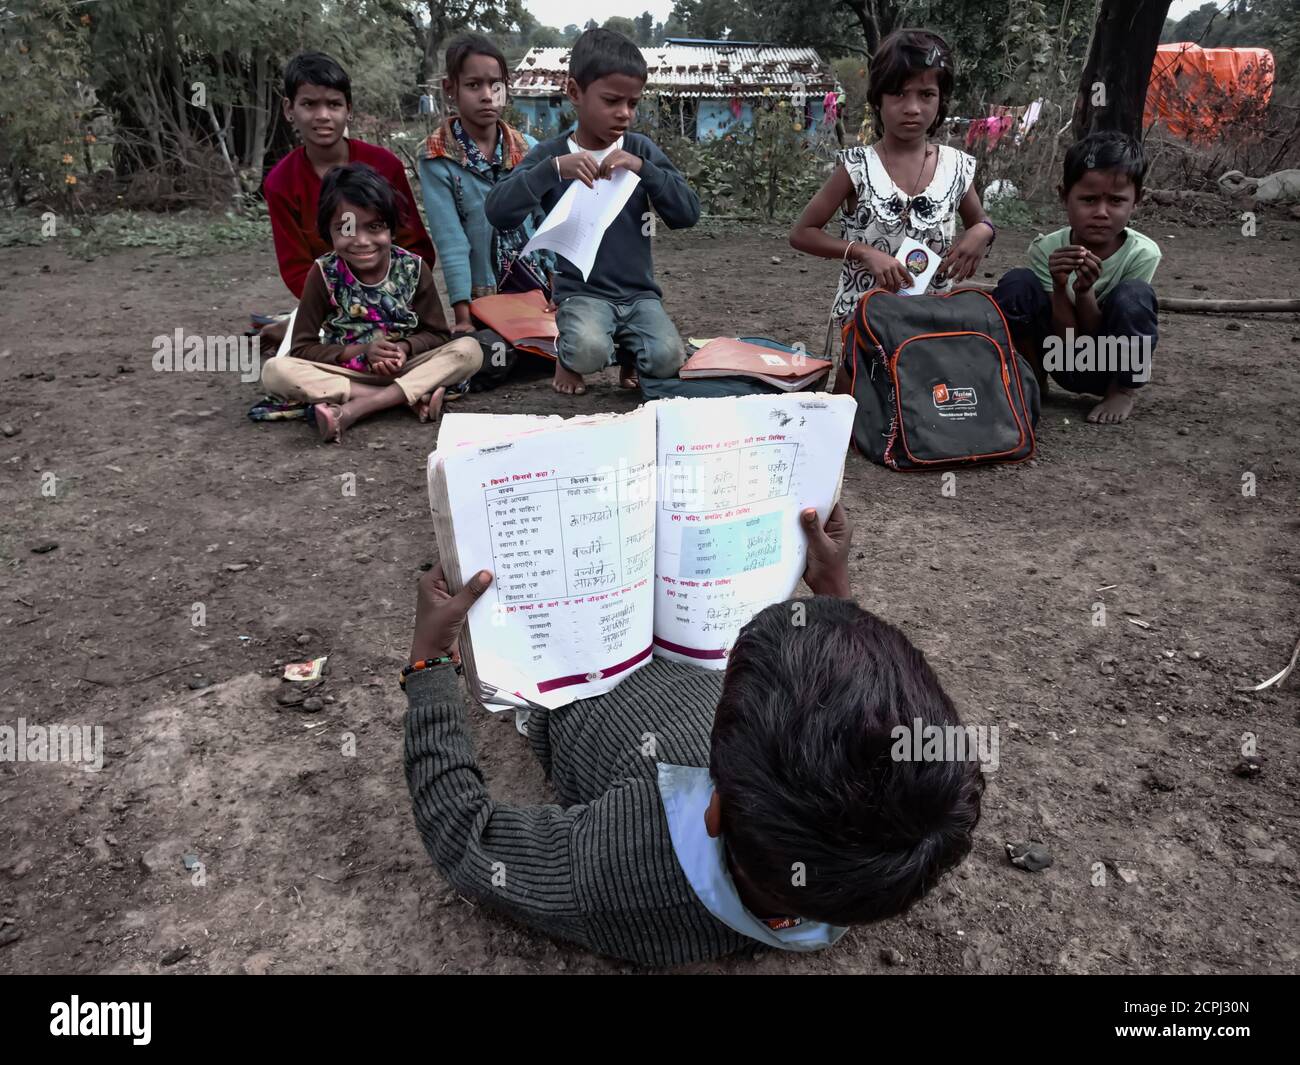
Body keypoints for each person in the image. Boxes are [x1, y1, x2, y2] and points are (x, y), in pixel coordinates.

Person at [401, 504, 985, 966]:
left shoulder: (617, 868)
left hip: (572, 679)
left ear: (714, 811)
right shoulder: (903, 842)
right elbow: (858, 743)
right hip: (678, 642)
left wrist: (429, 666)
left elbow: (465, 840)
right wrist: (834, 590)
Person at [484, 27, 699, 397]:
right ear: (574, 93)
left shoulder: (639, 150)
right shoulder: (552, 156)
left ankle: (633, 354)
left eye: (633, 103)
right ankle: (567, 357)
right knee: (587, 350)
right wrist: (552, 171)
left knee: (668, 360)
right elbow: (498, 211)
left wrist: (644, 169)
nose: (625, 114)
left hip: (640, 294)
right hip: (581, 294)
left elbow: (687, 214)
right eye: (612, 101)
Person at [788, 29, 994, 386]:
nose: (912, 107)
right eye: (898, 93)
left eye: (926, 94)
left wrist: (981, 232)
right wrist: (863, 252)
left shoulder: (957, 167)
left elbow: (980, 221)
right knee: (860, 412)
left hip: (931, 320)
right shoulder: (856, 167)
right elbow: (802, 234)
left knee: (925, 413)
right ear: (878, 99)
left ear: (941, 100)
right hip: (865, 320)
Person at [260, 164, 480, 443]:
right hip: (348, 374)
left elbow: (437, 334)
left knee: (469, 349)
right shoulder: (323, 273)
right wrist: (364, 350)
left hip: (408, 366)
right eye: (347, 228)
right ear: (328, 231)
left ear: (391, 228)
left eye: (375, 227)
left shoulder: (413, 268)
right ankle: (403, 398)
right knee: (276, 371)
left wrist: (403, 348)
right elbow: (302, 348)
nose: (362, 241)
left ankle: (357, 408)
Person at [992, 131, 1161, 424]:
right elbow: (1067, 340)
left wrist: (1085, 293)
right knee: (1017, 284)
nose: (1101, 212)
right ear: (1063, 195)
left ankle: (1122, 391)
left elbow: (1095, 335)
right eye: (1089, 199)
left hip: (1107, 363)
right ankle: (1030, 377)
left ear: (1137, 201)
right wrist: (1059, 286)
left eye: (1116, 201)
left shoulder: (1142, 253)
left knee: (1135, 296)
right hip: (1058, 353)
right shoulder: (1047, 249)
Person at [419, 33, 553, 390]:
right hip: (486, 297)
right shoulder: (437, 158)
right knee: (492, 354)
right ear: (451, 89)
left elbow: (546, 224)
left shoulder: (531, 150)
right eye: (473, 85)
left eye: (496, 85)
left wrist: (559, 292)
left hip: (537, 290)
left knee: (584, 345)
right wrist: (462, 316)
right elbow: (451, 239)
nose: (486, 95)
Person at [263, 52, 436, 303]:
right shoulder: (281, 183)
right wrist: (348, 307)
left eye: (333, 104)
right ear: (289, 109)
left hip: (397, 297)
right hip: (330, 306)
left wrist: (389, 297)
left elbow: (417, 248)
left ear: (349, 110)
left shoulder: (385, 166)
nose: (323, 115)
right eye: (309, 104)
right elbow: (297, 270)